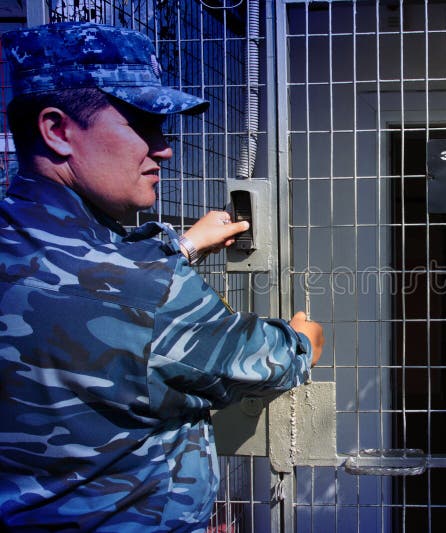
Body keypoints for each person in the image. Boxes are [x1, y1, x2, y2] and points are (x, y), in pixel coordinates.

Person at [0, 22, 324, 531]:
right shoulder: (149, 290)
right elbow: (272, 359)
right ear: (57, 130)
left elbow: (71, 274)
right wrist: (305, 338)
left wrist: (185, 246)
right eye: (141, 122)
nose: (163, 148)